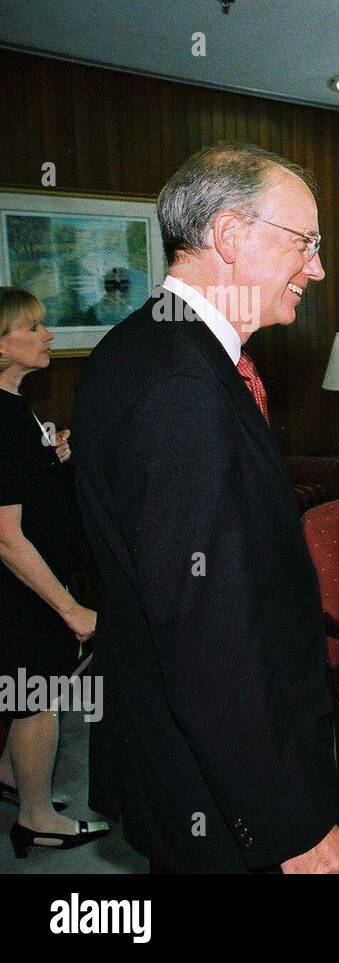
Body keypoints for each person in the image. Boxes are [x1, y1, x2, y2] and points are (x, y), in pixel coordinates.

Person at [72, 143, 339, 873]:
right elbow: (208, 636)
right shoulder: (180, 388)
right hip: (218, 782)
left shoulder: (148, 346)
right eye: (305, 243)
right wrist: (289, 820)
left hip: (189, 751)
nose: (316, 268)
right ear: (230, 236)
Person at [0, 287, 108, 857]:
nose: (48, 335)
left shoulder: (17, 405)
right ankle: (37, 818)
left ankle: (17, 778)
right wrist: (70, 608)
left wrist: (53, 457)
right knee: (37, 696)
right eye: (34, 327)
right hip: (23, 593)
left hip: (36, 586)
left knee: (37, 688)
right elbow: (6, 537)